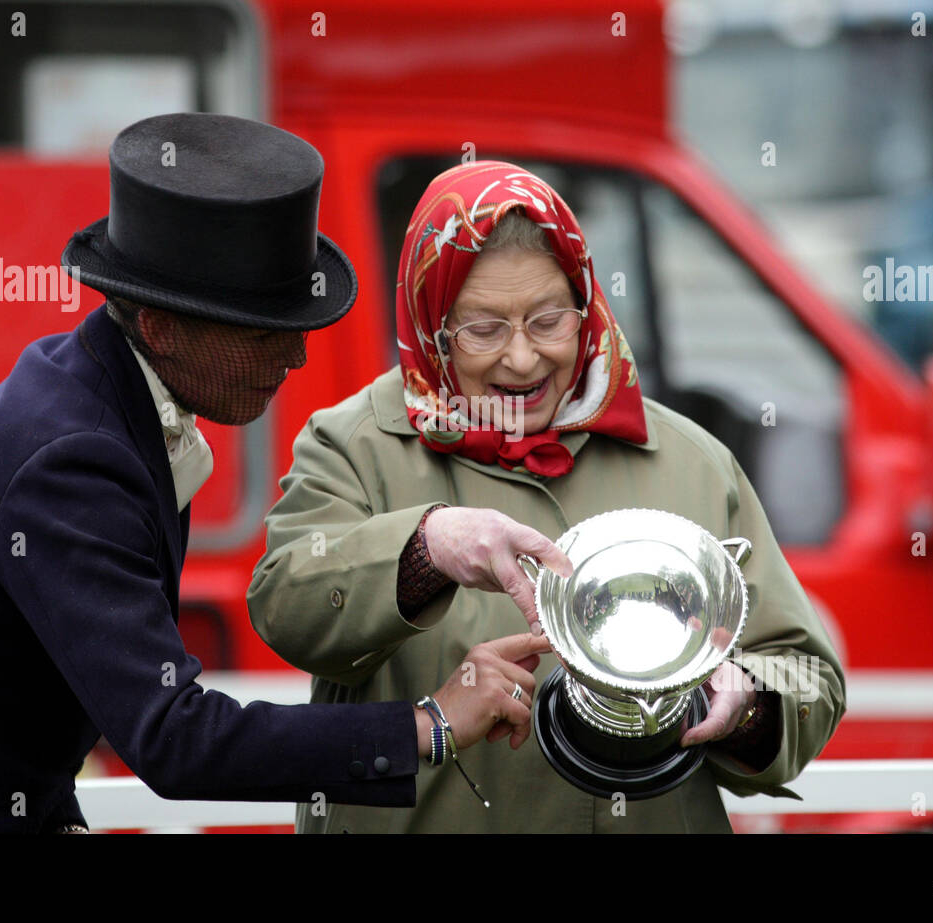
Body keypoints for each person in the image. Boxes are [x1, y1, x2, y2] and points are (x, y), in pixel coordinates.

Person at [0, 117, 546, 833]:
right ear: (162, 326)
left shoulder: (98, 386)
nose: (294, 358)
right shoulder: (73, 456)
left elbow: (23, 686)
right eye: (264, 332)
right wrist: (431, 723)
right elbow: (174, 737)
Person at [247, 161, 847, 833]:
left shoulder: (693, 460)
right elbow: (285, 606)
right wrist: (426, 546)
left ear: (585, 306)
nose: (524, 358)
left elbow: (806, 675)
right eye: (483, 328)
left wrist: (750, 704)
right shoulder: (355, 447)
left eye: (548, 320)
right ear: (431, 325)